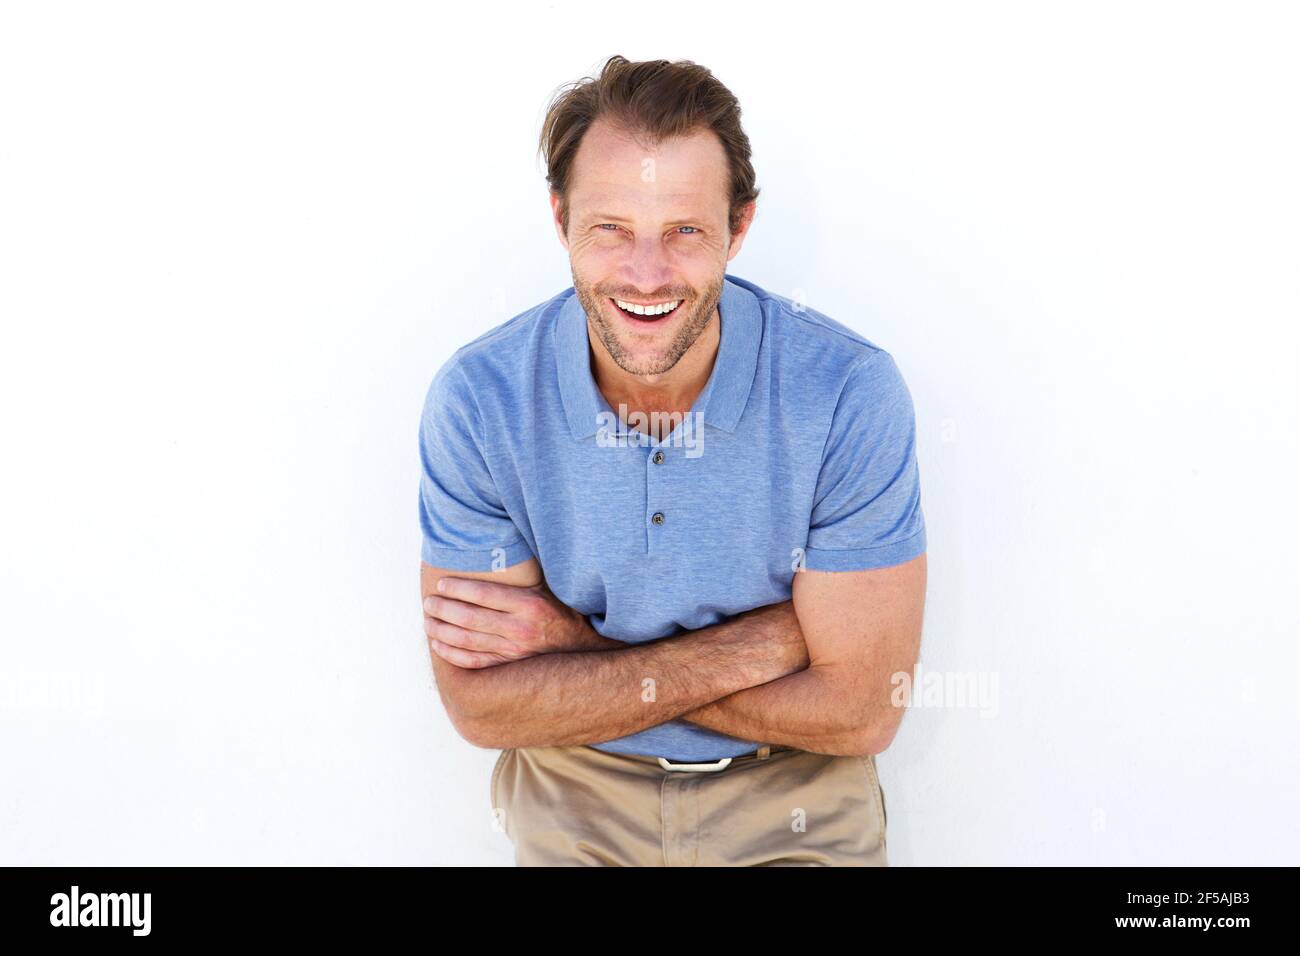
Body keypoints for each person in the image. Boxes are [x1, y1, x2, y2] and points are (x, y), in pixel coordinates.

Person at [417, 54, 927, 866]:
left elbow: (862, 712)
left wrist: (577, 651)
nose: (646, 274)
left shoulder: (845, 393)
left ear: (740, 226)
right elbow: (483, 708)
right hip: (576, 784)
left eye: (684, 231)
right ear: (560, 221)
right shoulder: (480, 399)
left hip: (795, 791)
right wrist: (769, 646)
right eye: (610, 229)